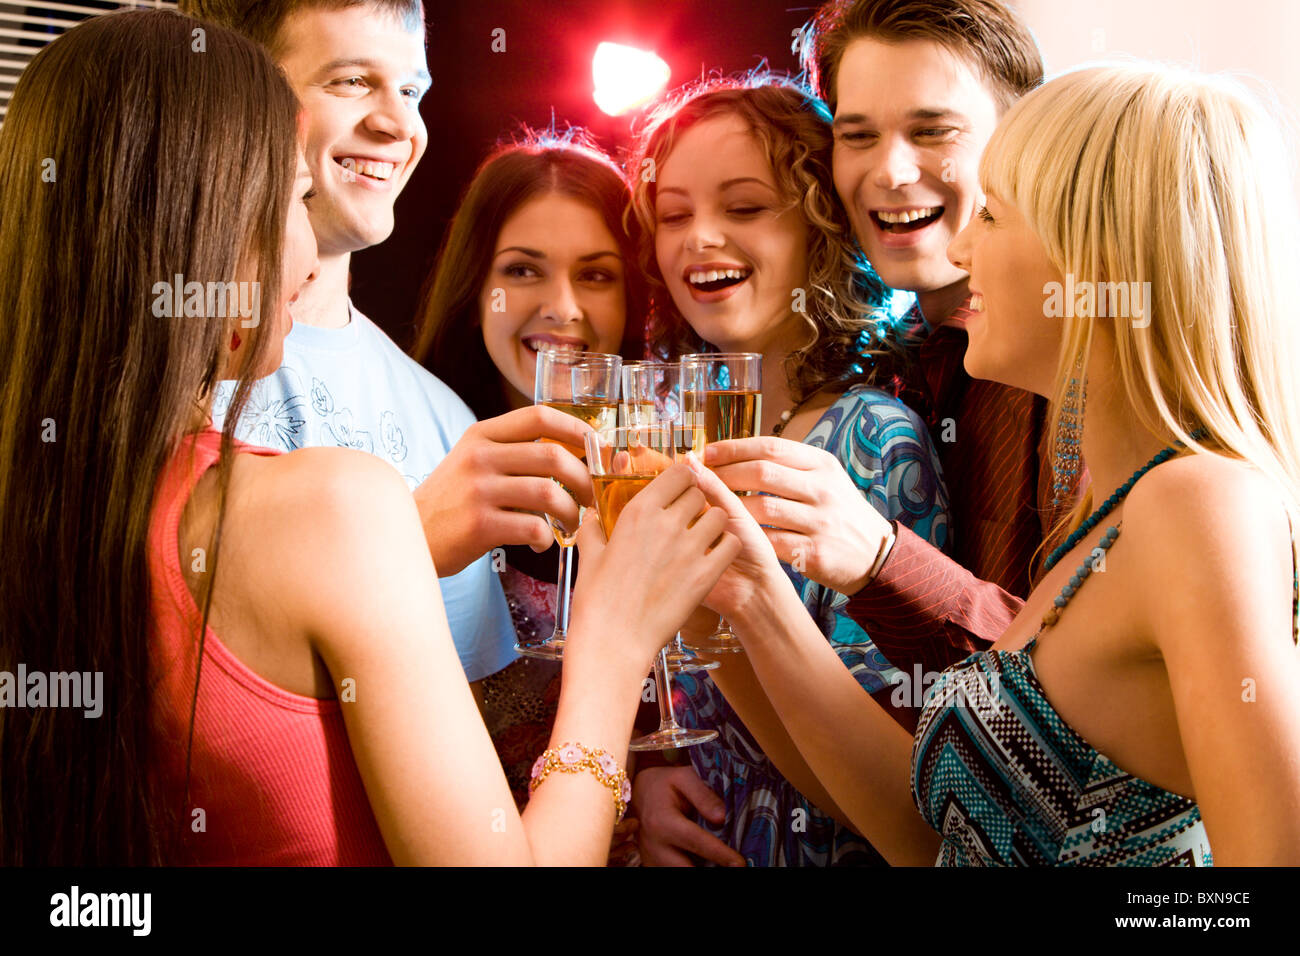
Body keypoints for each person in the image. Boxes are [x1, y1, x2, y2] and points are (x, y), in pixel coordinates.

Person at [0, 7, 740, 866]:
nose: (303, 247)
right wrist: (613, 643)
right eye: (291, 195)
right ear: (206, 216)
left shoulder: (54, 484)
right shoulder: (334, 502)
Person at [684, 63, 1300, 865]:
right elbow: (934, 841)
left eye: (996, 216)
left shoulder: (1199, 502)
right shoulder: (1103, 511)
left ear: (1096, 261)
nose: (966, 247)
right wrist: (739, 609)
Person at [178, 0, 602, 696]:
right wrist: (403, 546)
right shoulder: (168, 387)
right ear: (240, 99)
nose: (399, 125)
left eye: (411, 91)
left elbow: (481, 725)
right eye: (350, 82)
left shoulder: (448, 419)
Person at [626, 75, 950, 866]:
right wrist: (647, 769)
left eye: (743, 207)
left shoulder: (873, 436)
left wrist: (714, 625)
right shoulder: (672, 427)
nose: (700, 237)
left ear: (819, 229)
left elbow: (892, 802)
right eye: (674, 215)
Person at [411, 129, 647, 815]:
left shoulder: (659, 467)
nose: (564, 307)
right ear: (474, 283)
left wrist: (661, 769)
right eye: (522, 270)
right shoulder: (413, 464)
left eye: (597, 274)